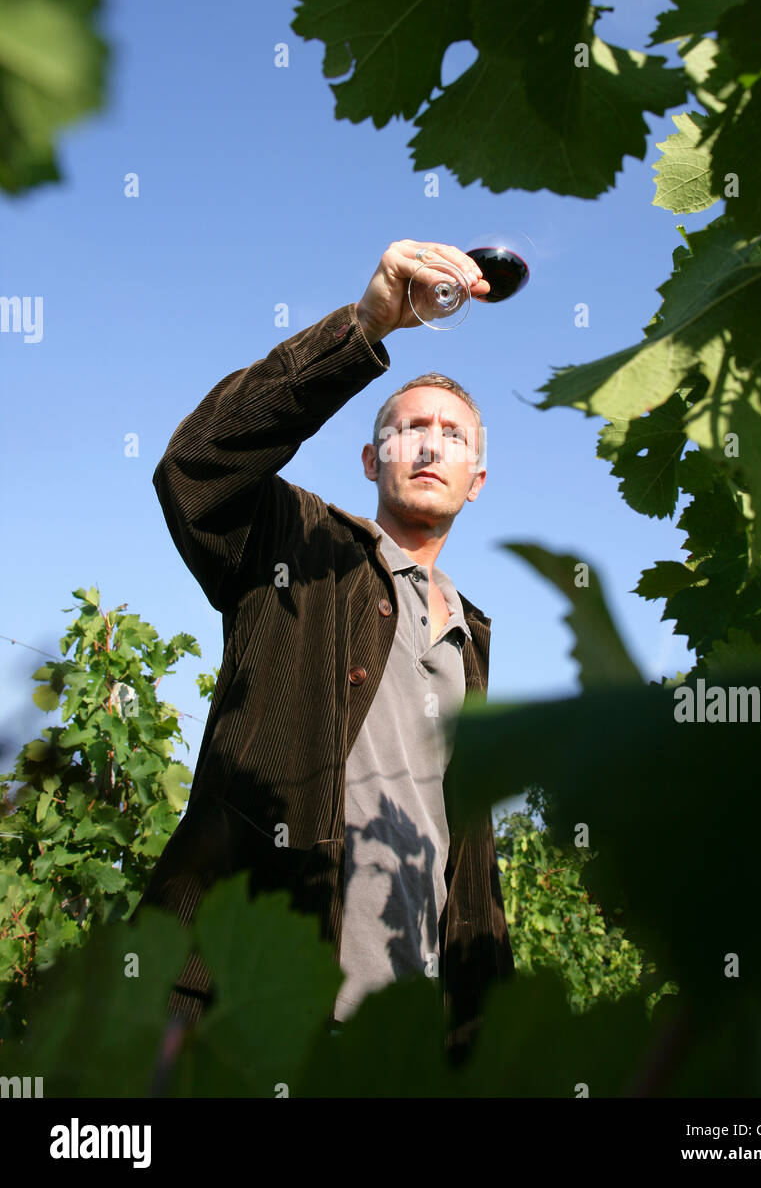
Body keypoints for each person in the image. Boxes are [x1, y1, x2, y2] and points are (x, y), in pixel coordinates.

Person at [131, 239, 514, 1065]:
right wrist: (366, 325)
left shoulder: (472, 640)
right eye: (407, 429)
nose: (427, 445)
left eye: (451, 435)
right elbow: (194, 466)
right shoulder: (298, 544)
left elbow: (470, 871)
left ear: (476, 479)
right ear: (372, 460)